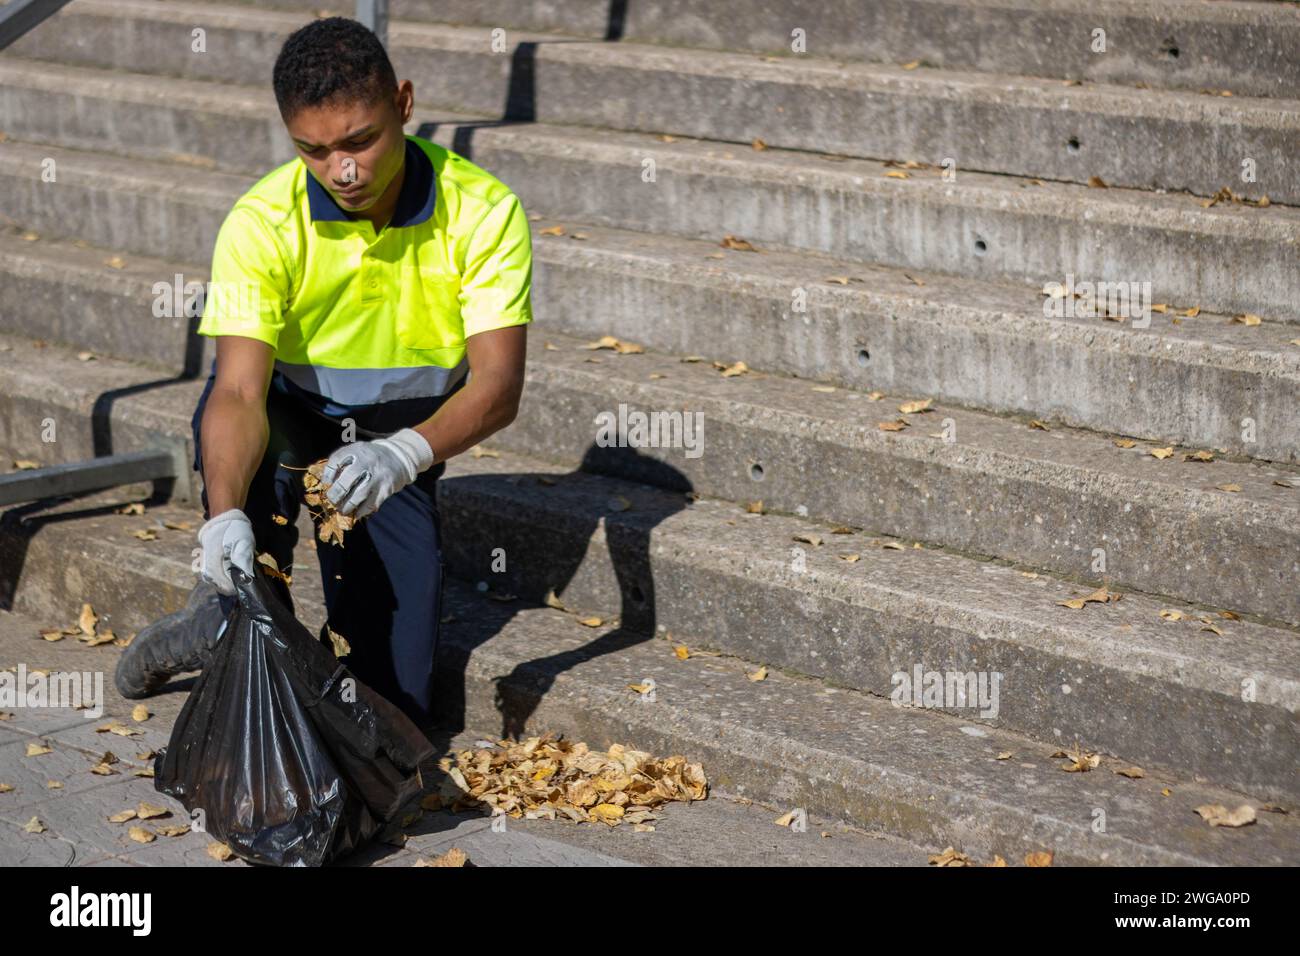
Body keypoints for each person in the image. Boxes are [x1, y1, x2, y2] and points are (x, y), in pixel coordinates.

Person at [114, 16, 532, 731]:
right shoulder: (262, 221)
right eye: (314, 150)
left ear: (403, 103)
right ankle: (212, 614)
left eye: (360, 140)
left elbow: (498, 387)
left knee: (392, 705)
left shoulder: (484, 211)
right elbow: (239, 391)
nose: (342, 171)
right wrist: (222, 519)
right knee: (251, 603)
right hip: (286, 420)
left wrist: (402, 455)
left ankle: (225, 630)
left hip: (397, 446)